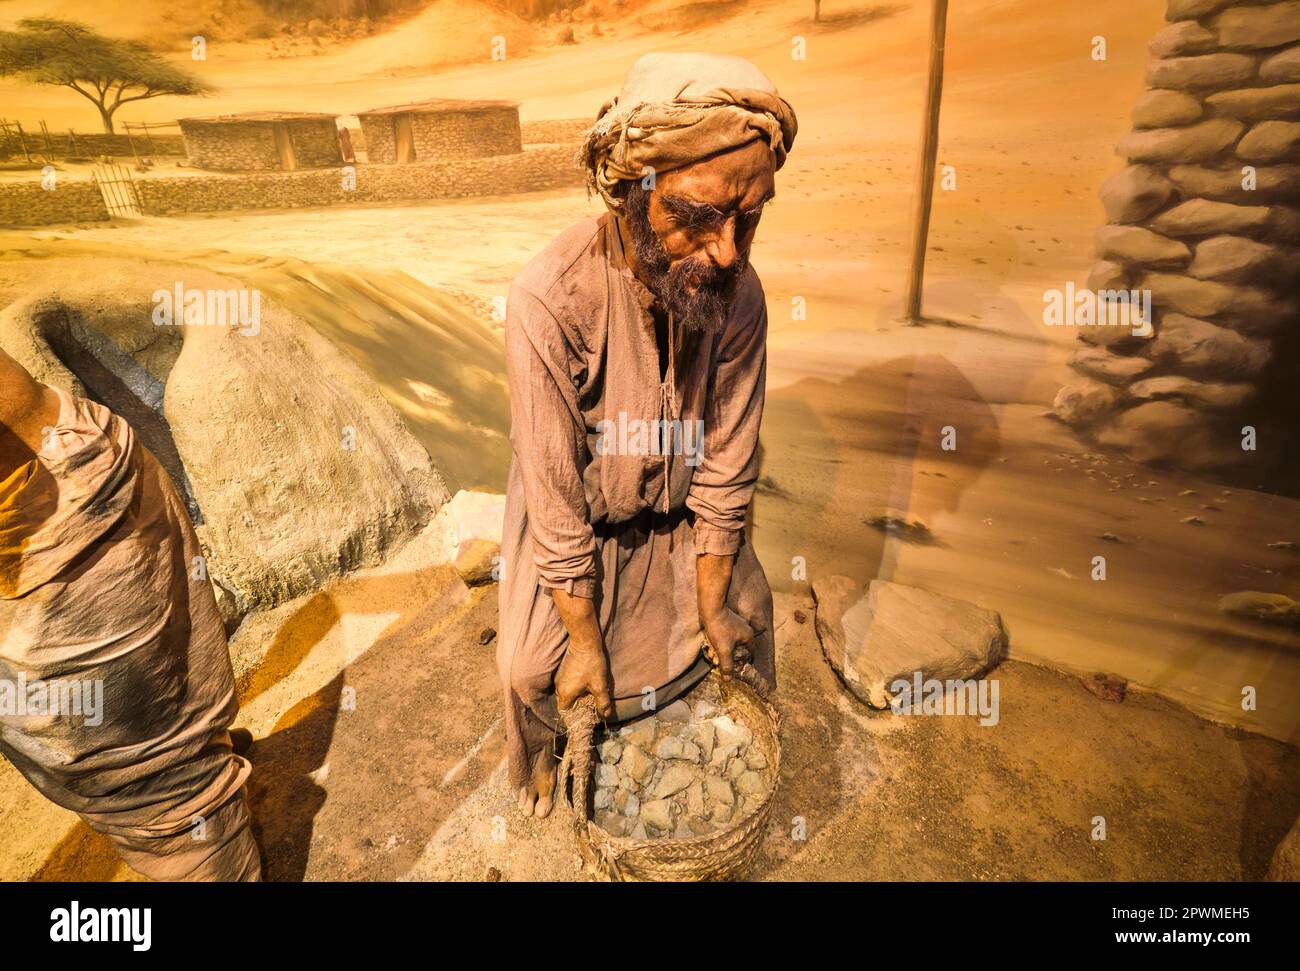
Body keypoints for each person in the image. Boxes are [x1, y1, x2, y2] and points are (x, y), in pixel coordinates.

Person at [497, 52, 797, 817]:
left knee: (749, 620)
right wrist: (585, 638)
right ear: (635, 192)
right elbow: (554, 495)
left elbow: (727, 465)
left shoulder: (740, 295)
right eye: (696, 217)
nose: (728, 249)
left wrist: (713, 599)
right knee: (533, 669)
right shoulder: (549, 296)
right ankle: (540, 763)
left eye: (749, 216)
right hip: (584, 525)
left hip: (683, 518)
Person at [0, 347, 260, 880]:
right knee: (154, 768)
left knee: (160, 778)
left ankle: (198, 778)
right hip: (69, 482)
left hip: (63, 524)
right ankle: (196, 781)